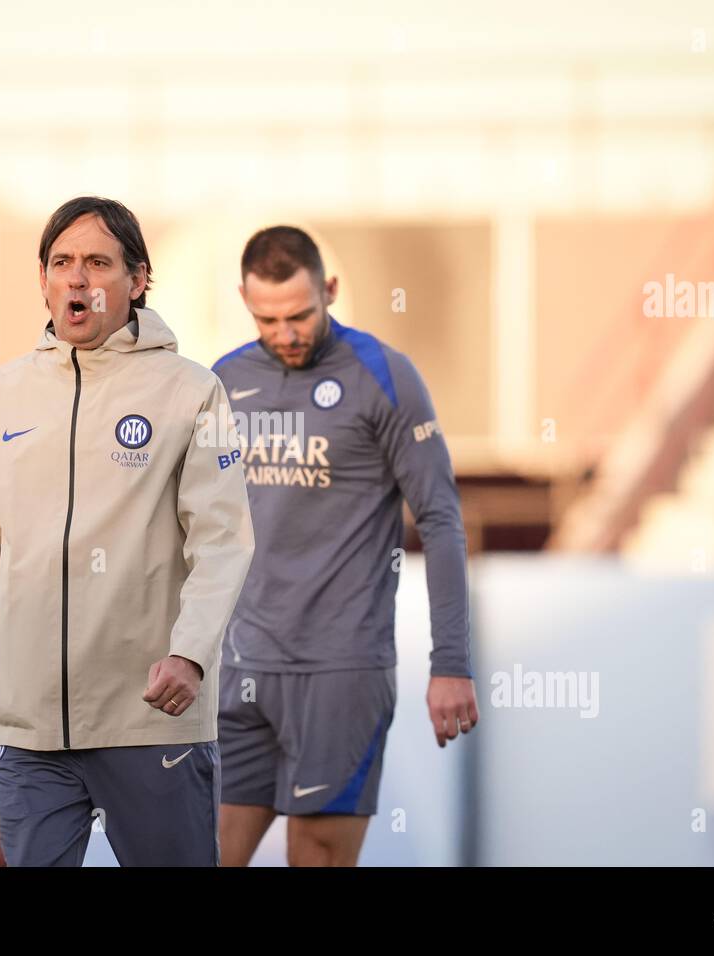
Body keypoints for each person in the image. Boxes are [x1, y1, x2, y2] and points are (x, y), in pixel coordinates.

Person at [0, 196, 254, 866]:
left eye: (98, 263)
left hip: (151, 722)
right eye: (61, 262)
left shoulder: (193, 393)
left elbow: (223, 542)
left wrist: (190, 654)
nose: (77, 278)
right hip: (29, 732)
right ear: (43, 281)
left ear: (136, 282)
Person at [213, 226, 477, 866]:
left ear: (329, 290)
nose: (287, 333)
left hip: (340, 672)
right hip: (238, 668)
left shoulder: (383, 376)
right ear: (245, 301)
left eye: (301, 314)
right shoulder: (222, 380)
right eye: (268, 318)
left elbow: (440, 518)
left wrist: (451, 663)